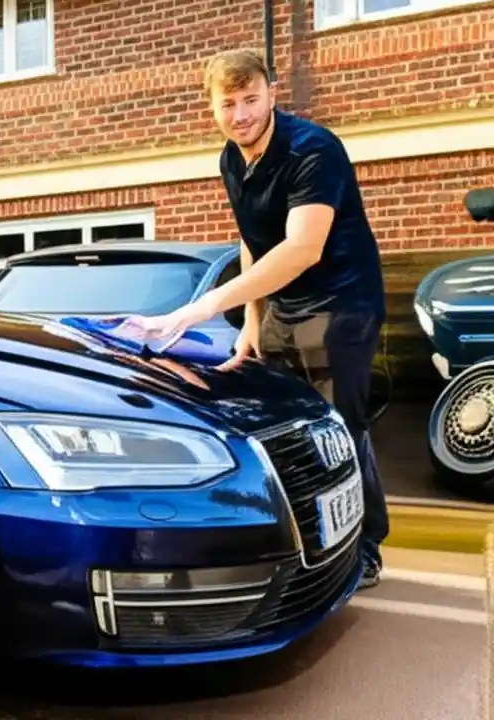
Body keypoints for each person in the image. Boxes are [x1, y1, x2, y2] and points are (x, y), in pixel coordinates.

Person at [123, 48, 388, 590]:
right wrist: (250, 321)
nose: (241, 114)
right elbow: (254, 240)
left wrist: (202, 307)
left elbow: (301, 249)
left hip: (341, 306)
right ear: (212, 107)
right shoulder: (231, 159)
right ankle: (308, 543)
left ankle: (365, 549)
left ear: (272, 94)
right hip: (281, 309)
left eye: (250, 99)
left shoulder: (314, 150)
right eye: (229, 104)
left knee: (339, 430)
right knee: (283, 428)